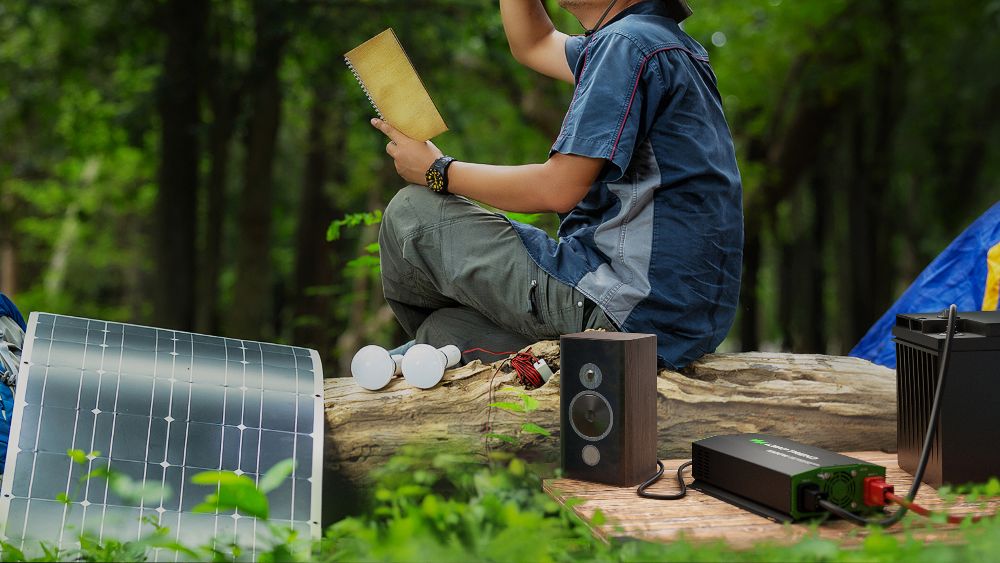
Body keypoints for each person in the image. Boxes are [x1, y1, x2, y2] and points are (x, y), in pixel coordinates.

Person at [372, 0, 743, 369]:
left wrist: (438, 170)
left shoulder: (626, 44)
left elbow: (558, 189)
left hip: (623, 306)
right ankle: (453, 357)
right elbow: (533, 43)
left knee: (411, 215)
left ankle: (434, 362)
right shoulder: (655, 41)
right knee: (444, 330)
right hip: (670, 322)